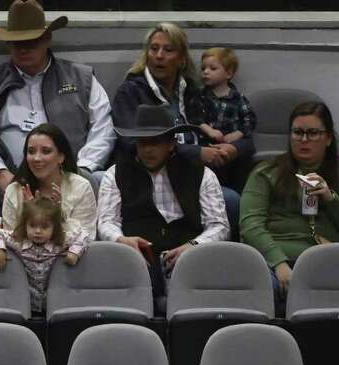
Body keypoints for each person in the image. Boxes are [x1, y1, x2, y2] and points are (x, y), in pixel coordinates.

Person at [0, 0, 114, 215]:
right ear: (8, 45)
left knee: (100, 180)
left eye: (31, 41)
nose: (24, 48)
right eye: (17, 42)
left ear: (47, 39)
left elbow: (103, 129)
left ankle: (90, 244)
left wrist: (80, 170)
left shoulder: (81, 78)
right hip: (9, 175)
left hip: (70, 172)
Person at [111, 23, 242, 229]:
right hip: (151, 175)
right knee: (230, 200)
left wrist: (234, 147)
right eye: (154, 49)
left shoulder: (191, 90)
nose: (159, 55)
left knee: (233, 200)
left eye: (168, 50)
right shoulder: (130, 91)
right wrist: (195, 153)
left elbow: (229, 129)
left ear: (181, 59)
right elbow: (130, 141)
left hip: (195, 174)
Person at [97, 104, 230, 294]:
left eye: (155, 142)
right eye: (142, 142)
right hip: (135, 259)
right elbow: (106, 222)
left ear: (171, 143)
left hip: (189, 258)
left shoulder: (201, 173)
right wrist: (121, 240)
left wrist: (194, 246)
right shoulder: (116, 174)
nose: (148, 149)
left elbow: (219, 225)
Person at [239, 101, 339, 296]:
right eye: (297, 132)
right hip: (276, 259)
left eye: (312, 133)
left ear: (328, 138)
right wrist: (279, 263)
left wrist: (330, 198)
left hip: (329, 259)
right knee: (263, 284)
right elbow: (250, 224)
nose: (303, 139)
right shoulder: (266, 172)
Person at [0, 196, 89, 316]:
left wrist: (74, 252)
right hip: (27, 301)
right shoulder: (19, 241)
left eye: (44, 227)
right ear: (25, 225)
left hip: (53, 301)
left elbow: (84, 234)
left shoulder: (59, 243)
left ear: (55, 228)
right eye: (32, 226)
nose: (38, 231)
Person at [1, 124, 98, 240]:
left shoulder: (81, 188)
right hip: (22, 257)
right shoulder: (15, 190)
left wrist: (59, 216)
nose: (36, 158)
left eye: (46, 151)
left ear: (61, 157)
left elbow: (86, 240)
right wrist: (28, 214)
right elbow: (10, 241)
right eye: (31, 151)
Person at [197, 47, 257, 191]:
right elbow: (194, 117)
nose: (206, 72)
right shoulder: (200, 96)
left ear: (228, 73)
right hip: (207, 143)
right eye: (203, 68)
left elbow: (250, 120)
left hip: (231, 145)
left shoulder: (237, 98)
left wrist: (238, 134)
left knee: (244, 156)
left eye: (212, 68)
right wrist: (209, 130)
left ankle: (237, 193)